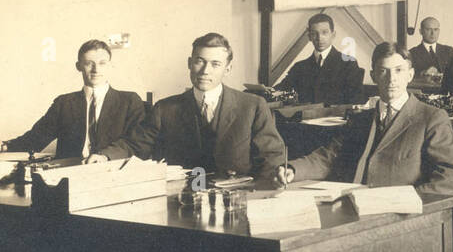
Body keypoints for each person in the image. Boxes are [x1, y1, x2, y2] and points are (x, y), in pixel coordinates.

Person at [94, 32, 286, 184]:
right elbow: (135, 145)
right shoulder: (166, 109)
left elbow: (271, 156)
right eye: (199, 61)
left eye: (215, 64)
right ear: (189, 63)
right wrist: (104, 156)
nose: (205, 71)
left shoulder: (252, 106)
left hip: (237, 199)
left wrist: (271, 184)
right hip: (183, 200)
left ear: (228, 69)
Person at [277, 43, 453, 198]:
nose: (391, 79)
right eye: (383, 71)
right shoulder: (361, 119)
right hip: (357, 208)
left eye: (398, 71)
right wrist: (293, 170)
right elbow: (329, 157)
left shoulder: (431, 118)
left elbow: (450, 180)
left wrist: (402, 199)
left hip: (403, 217)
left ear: (410, 75)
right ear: (373, 76)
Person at [2, 39, 145, 161]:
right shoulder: (63, 103)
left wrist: (105, 156)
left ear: (110, 65)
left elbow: (137, 142)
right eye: (89, 63)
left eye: (102, 63)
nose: (96, 69)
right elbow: (36, 138)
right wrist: (5, 146)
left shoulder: (129, 101)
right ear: (79, 66)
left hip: (112, 174)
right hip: (69, 175)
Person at [280, 12, 364, 105]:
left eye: (324, 32)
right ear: (309, 37)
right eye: (314, 33)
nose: (319, 38)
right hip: (305, 117)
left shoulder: (348, 63)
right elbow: (281, 89)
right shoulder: (299, 67)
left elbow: (355, 100)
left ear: (333, 35)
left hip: (336, 118)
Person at [410, 17, 453, 81]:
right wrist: (423, 73)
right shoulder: (412, 53)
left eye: (435, 29)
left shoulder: (448, 51)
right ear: (421, 31)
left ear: (439, 31)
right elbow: (407, 76)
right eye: (428, 29)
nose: (432, 33)